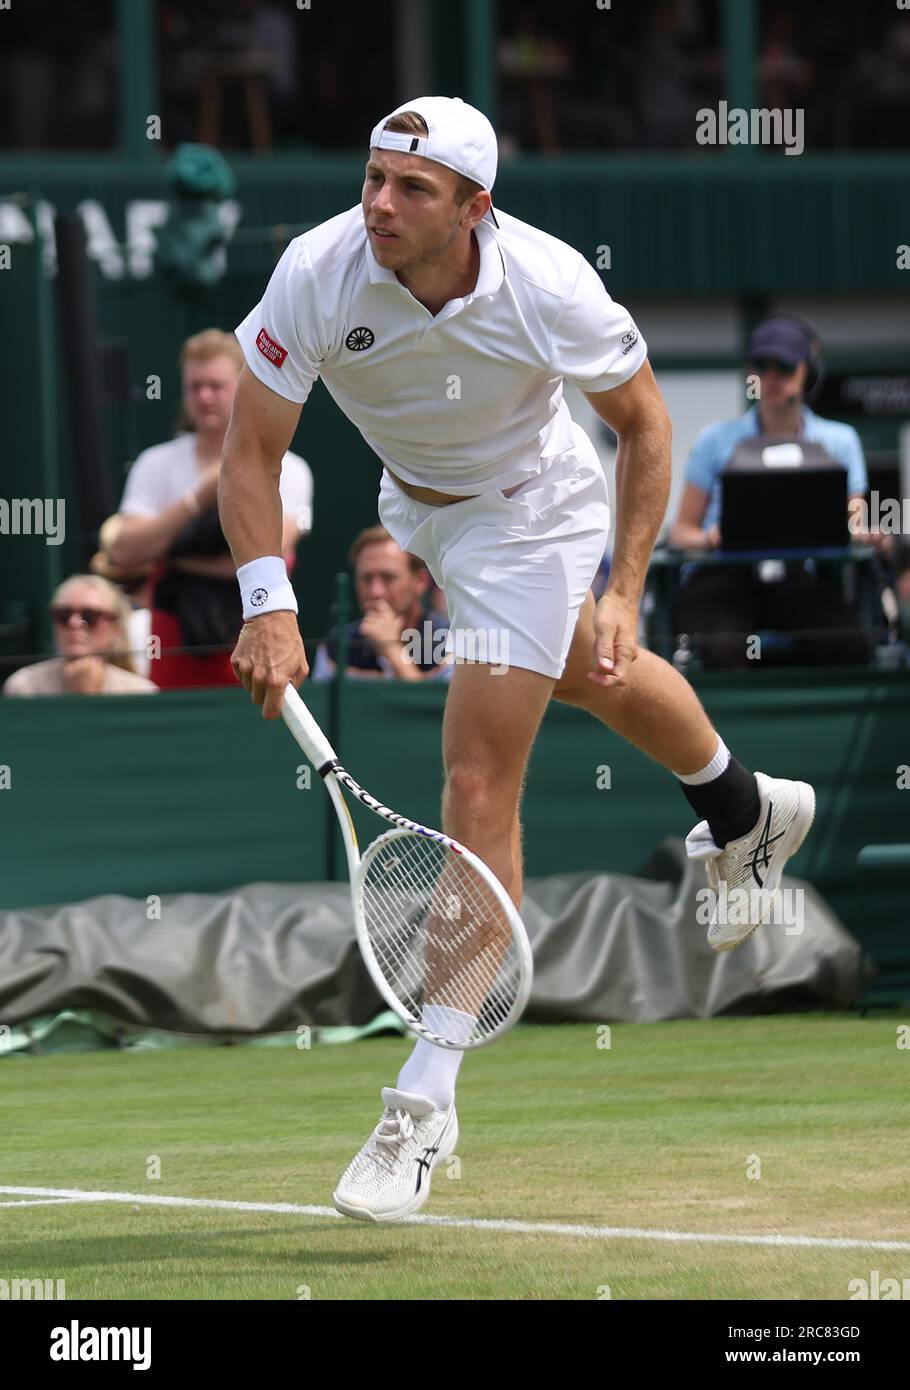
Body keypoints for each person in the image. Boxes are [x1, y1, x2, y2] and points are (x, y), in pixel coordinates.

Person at [220, 96, 816, 1222]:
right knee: (592, 673)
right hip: (420, 508)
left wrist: (626, 589)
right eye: (373, 176)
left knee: (478, 778)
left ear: (474, 209)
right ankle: (746, 810)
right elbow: (250, 449)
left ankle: (423, 1100)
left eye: (413, 189)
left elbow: (645, 428)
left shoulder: (548, 285)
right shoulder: (316, 269)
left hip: (534, 512)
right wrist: (268, 601)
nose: (379, 203)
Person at [670, 314, 887, 668]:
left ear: (808, 373)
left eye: (783, 366)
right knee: (724, 646)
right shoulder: (714, 440)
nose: (771, 377)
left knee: (847, 643)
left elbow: (854, 526)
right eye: (761, 366)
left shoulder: (840, 441)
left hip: (796, 578)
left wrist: (869, 537)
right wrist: (709, 538)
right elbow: (681, 532)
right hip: (721, 578)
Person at [103, 329, 313, 688]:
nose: (204, 396)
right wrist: (197, 499)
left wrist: (172, 556)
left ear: (242, 386)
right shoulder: (154, 463)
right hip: (174, 643)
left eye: (216, 386)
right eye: (194, 387)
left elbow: (270, 553)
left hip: (259, 629)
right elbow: (123, 550)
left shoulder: (290, 467)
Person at [312, 526, 451, 681]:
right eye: (366, 578)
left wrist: (392, 651)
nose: (375, 591)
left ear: (420, 581)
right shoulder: (337, 648)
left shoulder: (450, 642)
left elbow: (435, 704)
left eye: (388, 577)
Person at [2, 575, 158, 696]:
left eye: (89, 616)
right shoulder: (25, 687)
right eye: (63, 615)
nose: (74, 623)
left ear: (117, 629)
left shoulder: (139, 692)